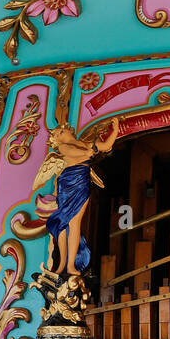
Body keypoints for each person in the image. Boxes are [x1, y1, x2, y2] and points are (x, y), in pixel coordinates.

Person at [32, 117, 120, 276]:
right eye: (60, 131)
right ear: (57, 138)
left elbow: (106, 146)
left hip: (82, 184)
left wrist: (115, 130)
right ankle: (62, 265)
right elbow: (77, 154)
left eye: (62, 129)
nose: (63, 130)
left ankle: (71, 265)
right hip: (67, 184)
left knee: (75, 222)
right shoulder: (64, 147)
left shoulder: (86, 144)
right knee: (63, 221)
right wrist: (89, 152)